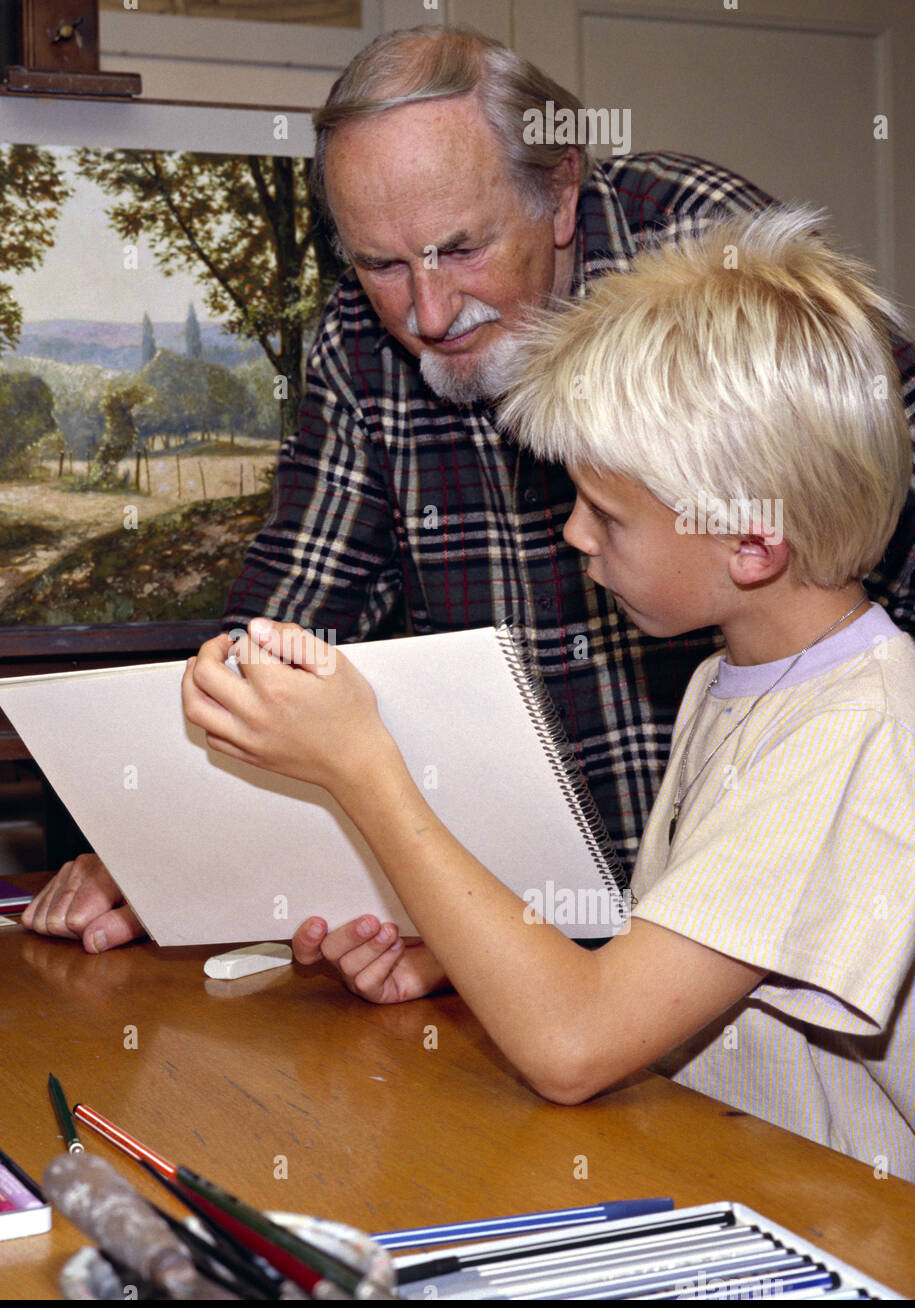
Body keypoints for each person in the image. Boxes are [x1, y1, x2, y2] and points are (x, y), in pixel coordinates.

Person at [23, 24, 915, 950]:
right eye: (381, 265)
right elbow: (294, 604)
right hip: (529, 922)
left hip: (766, 880)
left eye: (460, 248)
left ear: (559, 193)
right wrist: (161, 837)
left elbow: (875, 482)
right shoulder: (358, 342)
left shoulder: (701, 246)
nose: (429, 311)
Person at [181, 208, 915, 1175]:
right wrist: (481, 952)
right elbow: (693, 960)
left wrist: (361, 767)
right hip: (729, 1177)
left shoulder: (860, 727)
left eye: (605, 513)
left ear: (750, 544)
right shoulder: (733, 678)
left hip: (851, 1248)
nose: (572, 534)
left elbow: (573, 1047)